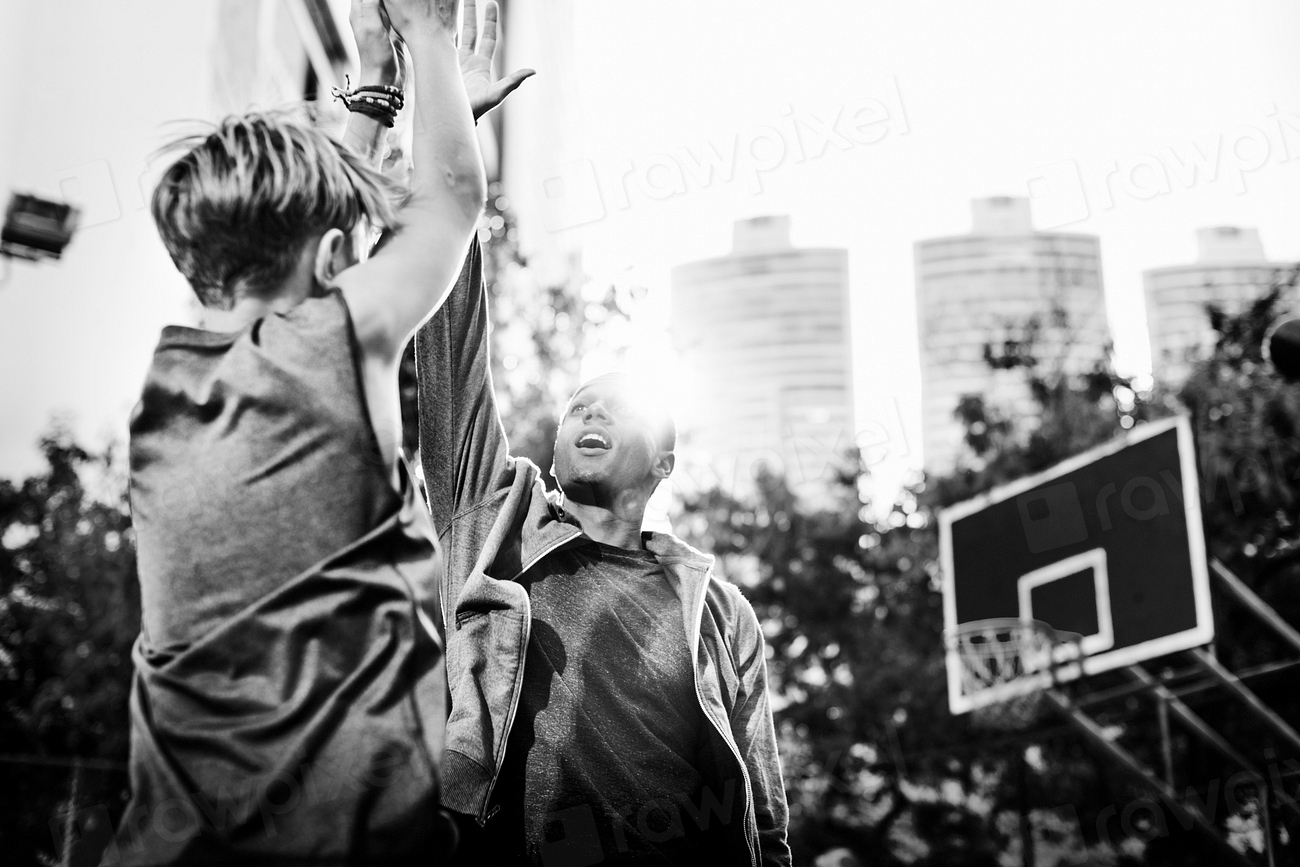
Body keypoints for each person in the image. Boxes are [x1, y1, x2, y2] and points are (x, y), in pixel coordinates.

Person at [112, 1, 524, 862]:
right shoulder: (323, 350)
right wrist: (430, 38)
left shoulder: (166, 392)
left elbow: (319, 254)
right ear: (338, 259)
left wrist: (378, 85)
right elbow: (449, 200)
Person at [417, 250, 792, 862]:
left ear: (662, 463)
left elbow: (764, 817)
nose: (589, 411)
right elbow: (452, 354)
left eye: (618, 408)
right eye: (578, 408)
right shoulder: (496, 525)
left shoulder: (721, 615)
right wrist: (451, 213)